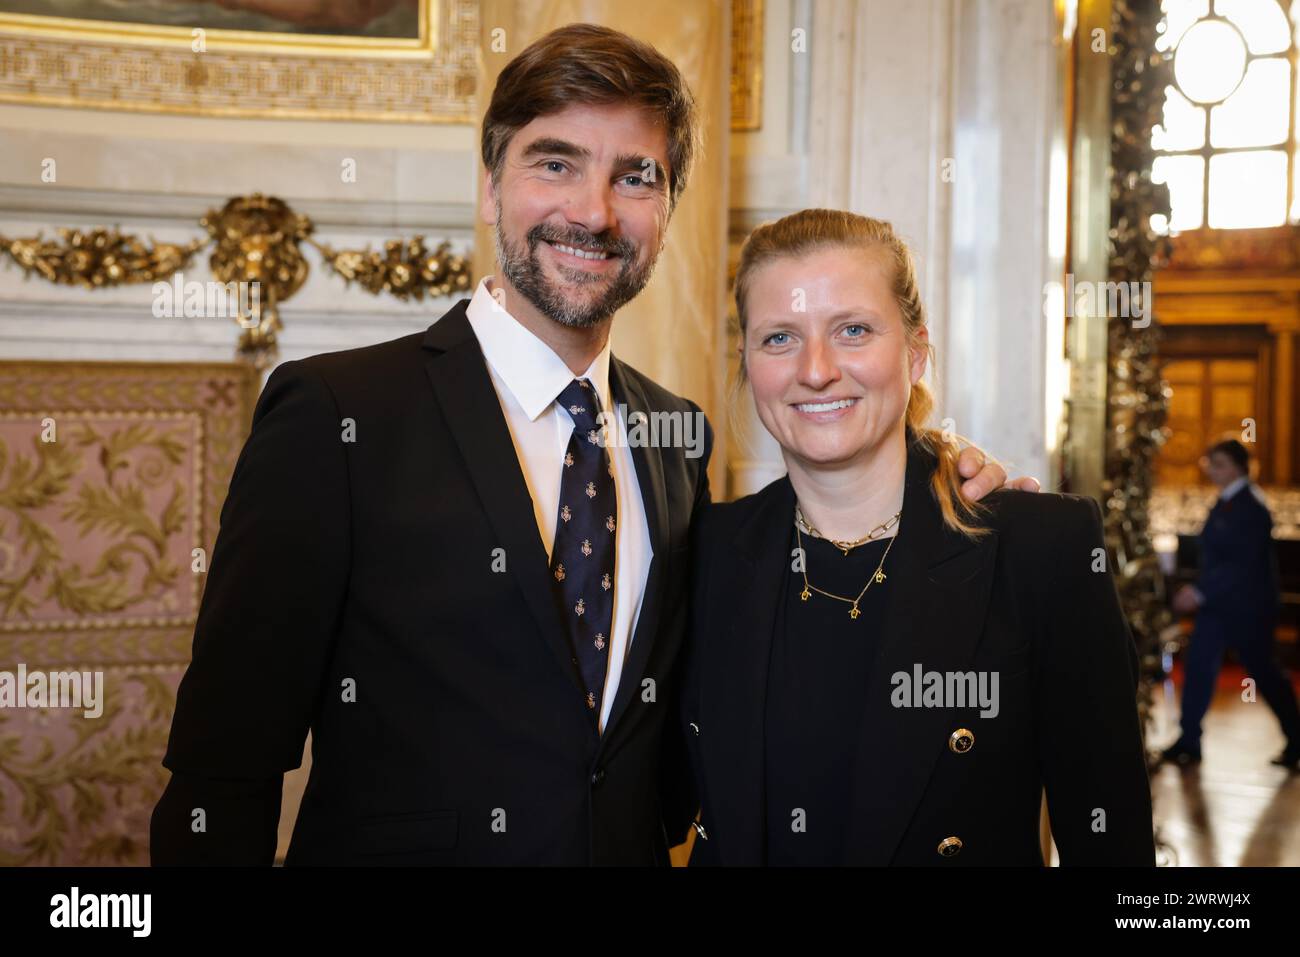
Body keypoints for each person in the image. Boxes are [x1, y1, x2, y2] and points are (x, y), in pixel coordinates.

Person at [149, 25, 1024, 866]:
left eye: (635, 177)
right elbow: (224, 768)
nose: (592, 211)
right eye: (556, 162)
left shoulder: (675, 436)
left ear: (668, 208)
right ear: (493, 185)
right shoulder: (338, 413)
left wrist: (925, 479)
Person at [680, 209, 1155, 865]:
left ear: (915, 351)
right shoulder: (703, 551)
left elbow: (1110, 842)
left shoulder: (1042, 550)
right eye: (780, 338)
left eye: (852, 330)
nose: (815, 370)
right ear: (748, 362)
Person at [1163, 440, 1300, 769]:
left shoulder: (1250, 505)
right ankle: (1189, 740)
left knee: (1263, 671)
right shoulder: (1228, 501)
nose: (1211, 469)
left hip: (1246, 607)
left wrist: (1199, 592)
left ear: (1238, 467)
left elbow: (1242, 564)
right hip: (1219, 606)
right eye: (1211, 463)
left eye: (1219, 464)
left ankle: (1297, 739)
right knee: (1198, 667)